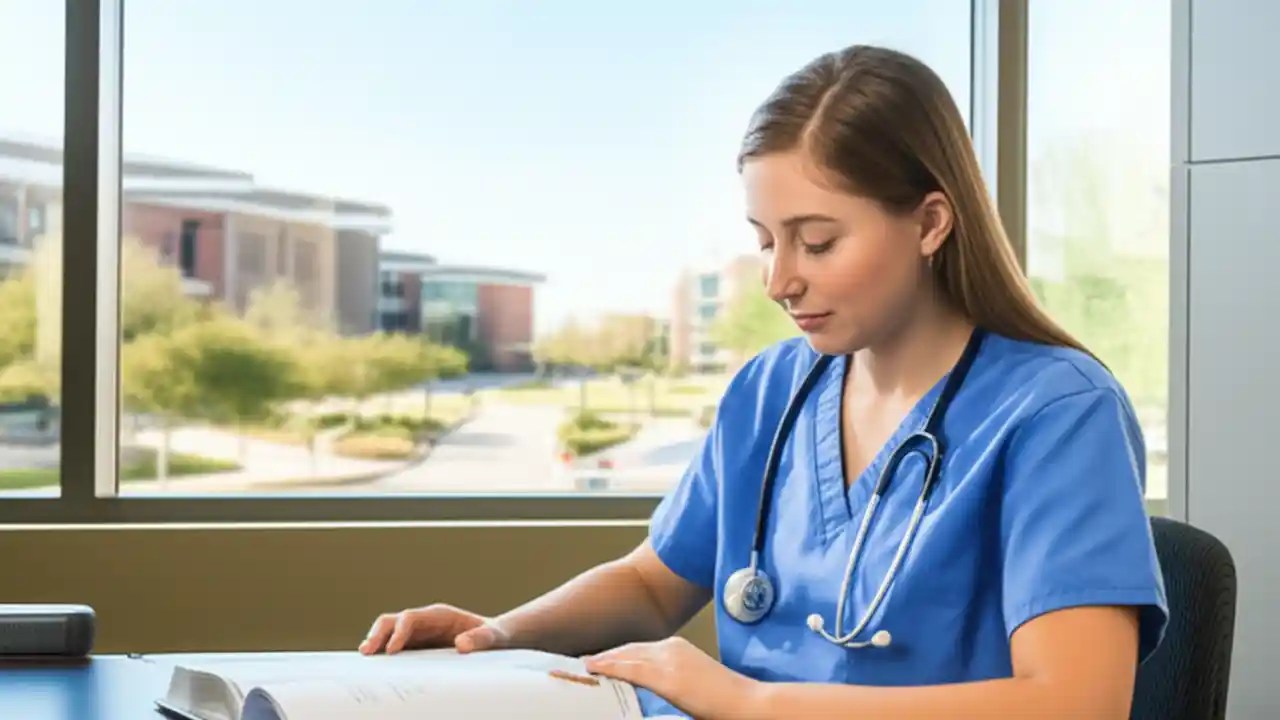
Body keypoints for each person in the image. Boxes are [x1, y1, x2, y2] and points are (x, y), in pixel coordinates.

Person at [358, 44, 1167, 719]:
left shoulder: (1056, 412)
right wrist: (501, 638)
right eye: (765, 241)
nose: (780, 281)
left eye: (816, 243)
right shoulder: (773, 389)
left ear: (929, 222)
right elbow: (651, 583)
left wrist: (753, 704)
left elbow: (1077, 701)